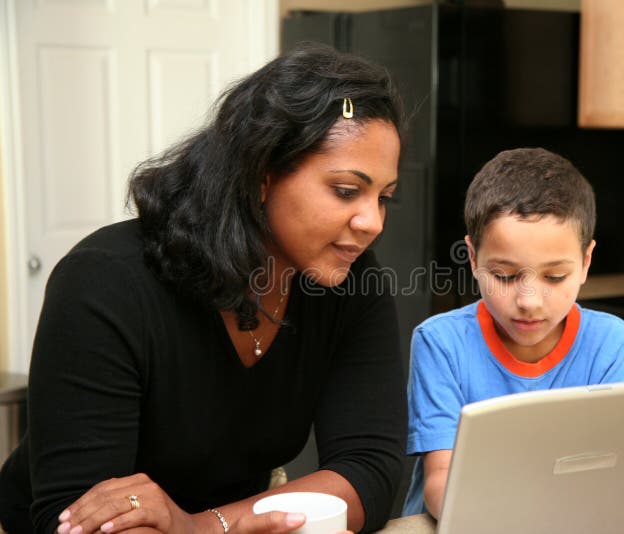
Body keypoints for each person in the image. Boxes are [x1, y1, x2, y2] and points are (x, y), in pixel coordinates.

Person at [0, 43, 408, 534]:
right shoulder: (104, 283)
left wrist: (203, 527)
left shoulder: (352, 279)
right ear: (262, 174)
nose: (371, 222)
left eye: (384, 197)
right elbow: (82, 518)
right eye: (346, 190)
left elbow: (370, 470)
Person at [402, 148, 624, 519]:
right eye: (505, 276)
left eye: (554, 276)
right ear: (474, 258)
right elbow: (440, 482)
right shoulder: (441, 344)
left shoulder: (611, 345)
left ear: (586, 262)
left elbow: (611, 474)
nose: (529, 301)